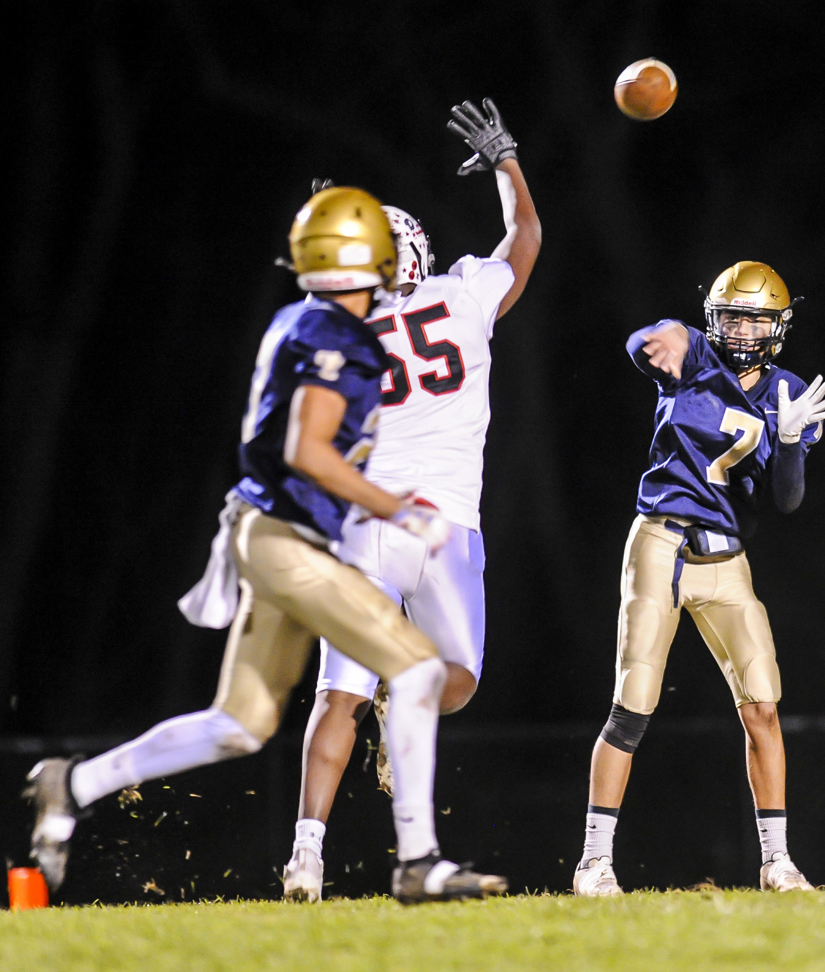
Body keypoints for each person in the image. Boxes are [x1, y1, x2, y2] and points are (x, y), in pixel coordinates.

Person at [24, 184, 507, 904]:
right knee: (415, 673)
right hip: (293, 540)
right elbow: (310, 452)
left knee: (241, 723)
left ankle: (74, 783)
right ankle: (417, 862)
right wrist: (394, 506)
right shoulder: (337, 335)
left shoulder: (303, 320)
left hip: (272, 532)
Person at [281, 98, 541, 903]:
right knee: (454, 683)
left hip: (366, 525)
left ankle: (305, 859)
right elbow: (524, 237)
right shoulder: (463, 299)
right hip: (445, 526)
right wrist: (506, 161)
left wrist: (323, 222)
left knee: (338, 698)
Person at [571, 261, 825, 896]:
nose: (741, 329)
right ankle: (594, 862)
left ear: (777, 325)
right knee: (633, 702)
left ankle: (777, 862)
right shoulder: (695, 356)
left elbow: (788, 500)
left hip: (728, 559)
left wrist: (793, 440)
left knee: (764, 706)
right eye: (732, 316)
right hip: (662, 541)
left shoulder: (788, 391)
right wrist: (661, 337)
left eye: (754, 318)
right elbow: (650, 341)